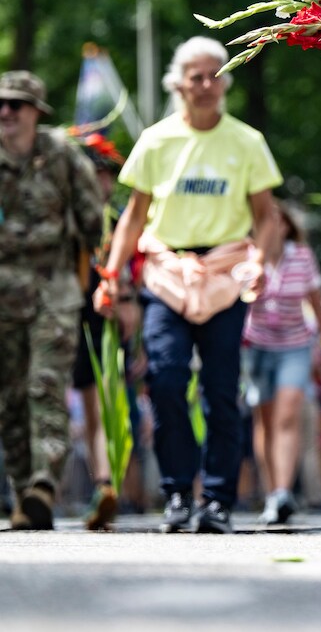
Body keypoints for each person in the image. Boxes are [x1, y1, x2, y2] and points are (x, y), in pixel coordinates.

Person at [98, 37, 280, 534]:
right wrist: (111, 277)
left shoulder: (247, 141)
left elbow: (267, 217)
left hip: (225, 273)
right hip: (167, 274)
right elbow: (133, 218)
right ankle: (178, 493)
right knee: (165, 380)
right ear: (177, 84)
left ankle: (218, 499)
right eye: (195, 76)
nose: (205, 84)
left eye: (214, 75)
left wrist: (260, 261)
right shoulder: (155, 140)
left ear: (225, 82)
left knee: (222, 390)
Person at [0, 71, 104, 530]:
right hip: (3, 295)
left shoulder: (61, 154)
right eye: (0, 104)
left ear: (36, 112)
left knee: (44, 385)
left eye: (15, 104)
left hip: (53, 290)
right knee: (10, 398)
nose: (5, 112)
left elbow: (92, 219)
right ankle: (24, 492)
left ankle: (44, 483)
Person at [243, 201, 321, 527]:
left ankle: (282, 493)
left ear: (286, 226)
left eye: (277, 220)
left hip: (295, 345)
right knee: (264, 422)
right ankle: (270, 493)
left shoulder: (302, 256)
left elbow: (317, 305)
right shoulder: (247, 257)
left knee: (286, 416)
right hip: (256, 346)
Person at [71, 130, 141, 530]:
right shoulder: (67, 220)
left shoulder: (118, 221)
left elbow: (133, 272)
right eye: (93, 174)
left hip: (108, 317)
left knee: (105, 401)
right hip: (69, 315)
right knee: (85, 403)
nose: (101, 182)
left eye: (105, 174)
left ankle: (106, 483)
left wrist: (129, 305)